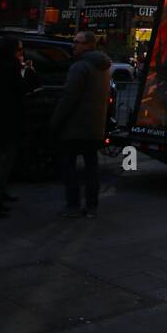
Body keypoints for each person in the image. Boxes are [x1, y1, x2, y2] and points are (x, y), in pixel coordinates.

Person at [50, 32, 112, 219]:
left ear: (88, 45)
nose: (73, 45)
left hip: (75, 126)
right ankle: (91, 206)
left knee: (68, 165)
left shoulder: (80, 66)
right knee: (91, 166)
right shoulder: (104, 66)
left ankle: (73, 204)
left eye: (77, 42)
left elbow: (69, 97)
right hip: (95, 126)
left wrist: (55, 122)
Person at [0, 38, 40, 220]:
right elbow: (28, 87)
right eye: (19, 49)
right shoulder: (11, 69)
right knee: (3, 161)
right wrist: (29, 70)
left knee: (0, 159)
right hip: (10, 121)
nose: (22, 53)